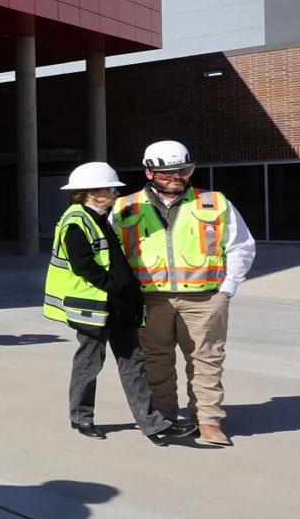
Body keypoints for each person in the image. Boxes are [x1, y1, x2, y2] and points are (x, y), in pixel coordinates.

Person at [114, 140, 257, 447]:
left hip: (205, 298)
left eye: (184, 170)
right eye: (168, 173)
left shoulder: (215, 202)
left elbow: (241, 246)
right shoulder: (124, 207)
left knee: (206, 359)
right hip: (149, 299)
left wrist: (227, 289)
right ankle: (164, 416)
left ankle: (207, 421)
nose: (177, 177)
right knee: (156, 360)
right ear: (149, 172)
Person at [44, 162, 197, 446]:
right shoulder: (76, 221)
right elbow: (84, 267)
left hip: (119, 307)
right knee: (89, 364)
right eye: (111, 188)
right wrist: (116, 287)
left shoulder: (101, 216)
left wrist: (127, 293)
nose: (115, 193)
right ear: (91, 193)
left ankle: (152, 423)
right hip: (94, 308)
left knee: (134, 363)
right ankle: (81, 417)